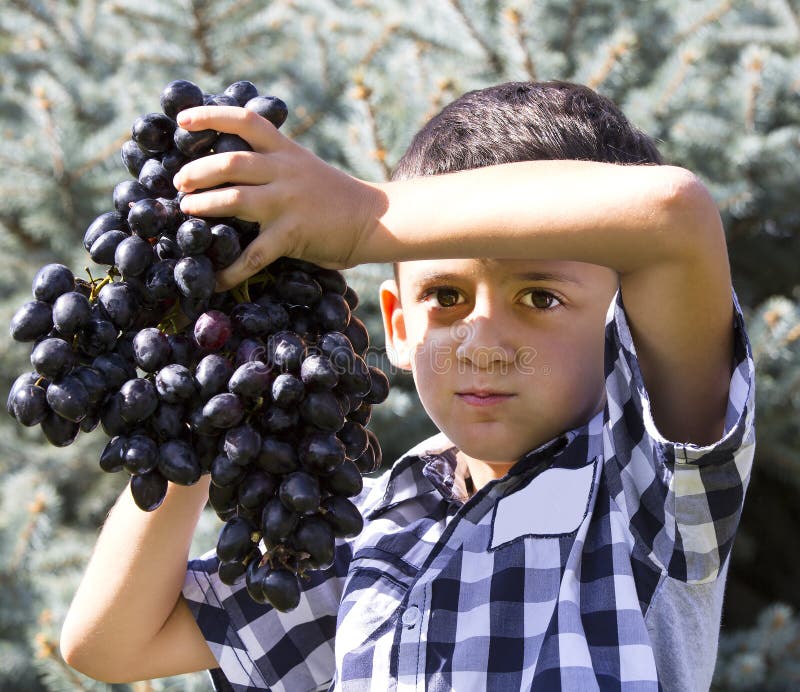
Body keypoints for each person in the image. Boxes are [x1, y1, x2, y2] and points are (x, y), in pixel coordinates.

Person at [60, 80, 756, 691]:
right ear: (395, 326)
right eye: (445, 296)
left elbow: (673, 212)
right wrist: (202, 405)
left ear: (628, 317)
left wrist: (367, 218)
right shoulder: (367, 534)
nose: (481, 343)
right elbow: (112, 642)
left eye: (539, 298)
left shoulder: (647, 498)